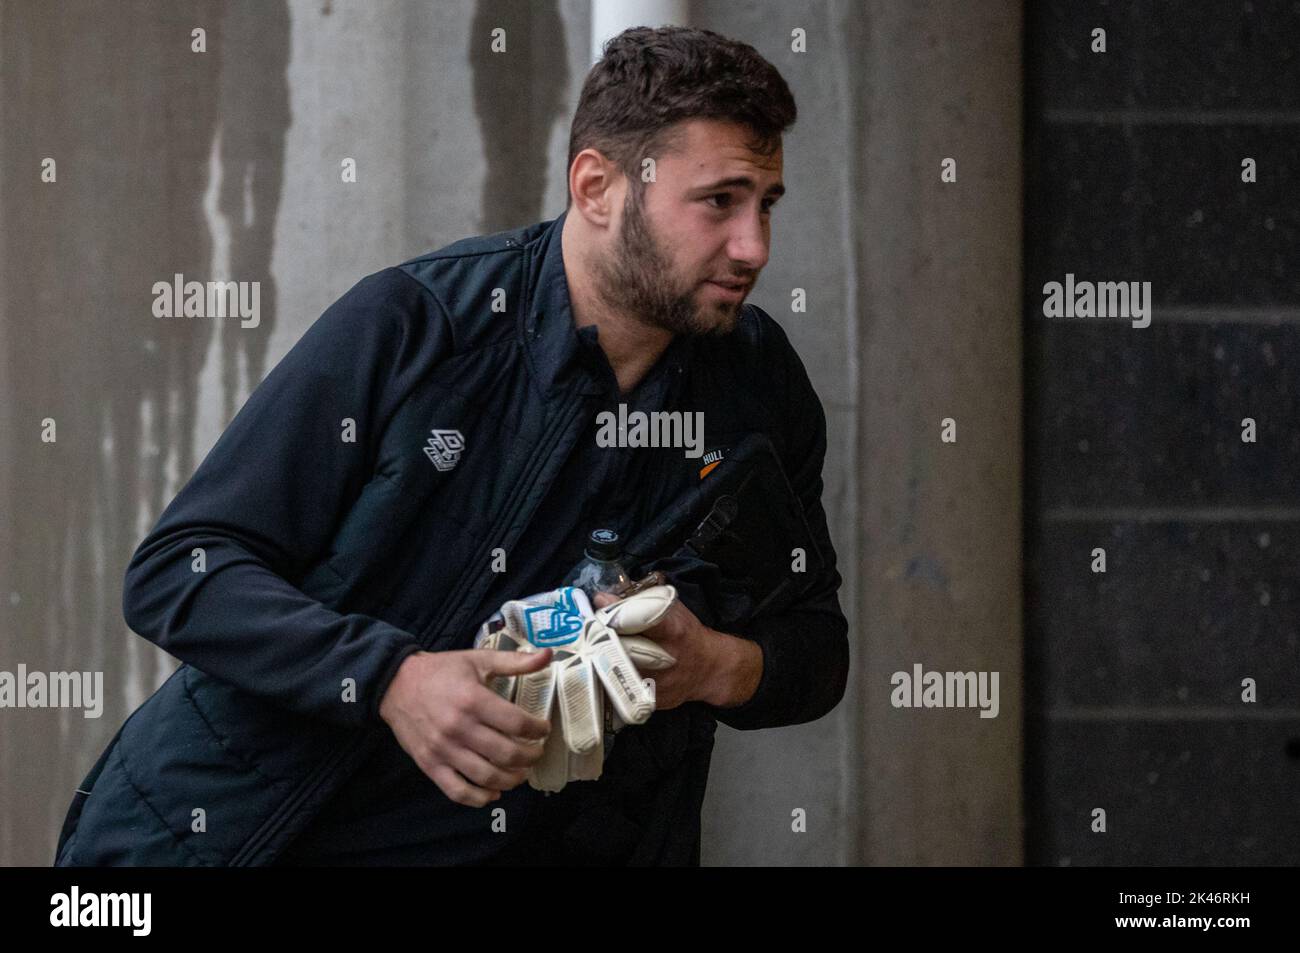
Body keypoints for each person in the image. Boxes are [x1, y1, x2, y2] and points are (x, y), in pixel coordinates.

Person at [54, 24, 848, 867]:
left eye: (767, 204)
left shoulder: (759, 390)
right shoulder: (414, 325)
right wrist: (393, 679)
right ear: (597, 186)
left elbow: (816, 650)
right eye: (719, 201)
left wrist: (711, 665)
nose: (753, 247)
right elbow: (181, 567)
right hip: (237, 840)